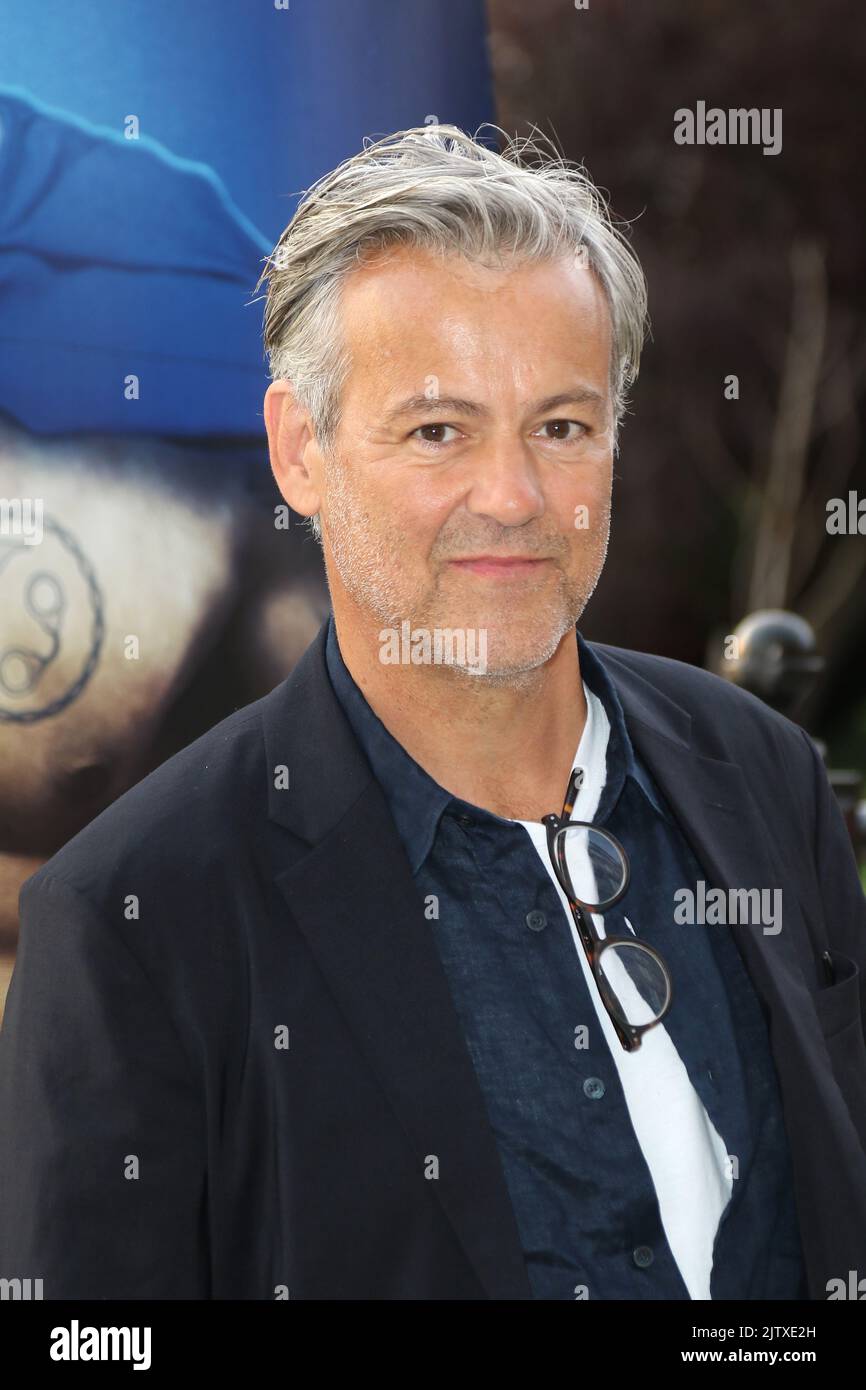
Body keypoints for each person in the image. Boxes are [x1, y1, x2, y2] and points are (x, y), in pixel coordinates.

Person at [1, 123, 864, 1301]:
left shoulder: (759, 771)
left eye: (558, 427)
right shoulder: (135, 922)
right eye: (436, 430)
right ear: (300, 452)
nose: (510, 496)